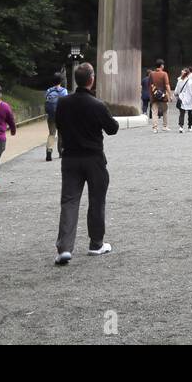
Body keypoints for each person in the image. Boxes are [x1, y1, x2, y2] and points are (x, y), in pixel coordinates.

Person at [53, 61, 120, 264]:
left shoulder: (63, 103)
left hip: (70, 158)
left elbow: (59, 125)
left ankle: (65, 248)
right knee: (97, 200)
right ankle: (96, 243)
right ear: (92, 80)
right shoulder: (97, 105)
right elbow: (112, 128)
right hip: (93, 158)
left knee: (69, 201)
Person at [44, 72, 68, 161]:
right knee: (61, 134)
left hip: (51, 115)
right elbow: (66, 103)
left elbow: (46, 100)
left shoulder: (49, 91)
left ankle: (49, 151)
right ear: (61, 81)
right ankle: (61, 152)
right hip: (61, 116)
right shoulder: (64, 91)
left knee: (51, 134)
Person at [148, 59, 172, 133]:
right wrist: (170, 95)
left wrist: (151, 95)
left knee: (154, 112)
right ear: (161, 65)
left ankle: (155, 128)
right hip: (163, 96)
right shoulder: (164, 74)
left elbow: (150, 85)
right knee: (165, 110)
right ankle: (165, 126)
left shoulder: (151, 74)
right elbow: (167, 85)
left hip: (154, 95)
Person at [174, 66, 192, 132]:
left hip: (182, 99)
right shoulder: (190, 82)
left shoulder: (179, 81)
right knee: (190, 113)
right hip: (189, 99)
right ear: (188, 74)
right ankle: (190, 126)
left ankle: (181, 127)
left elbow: (176, 91)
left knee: (182, 113)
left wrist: (176, 97)